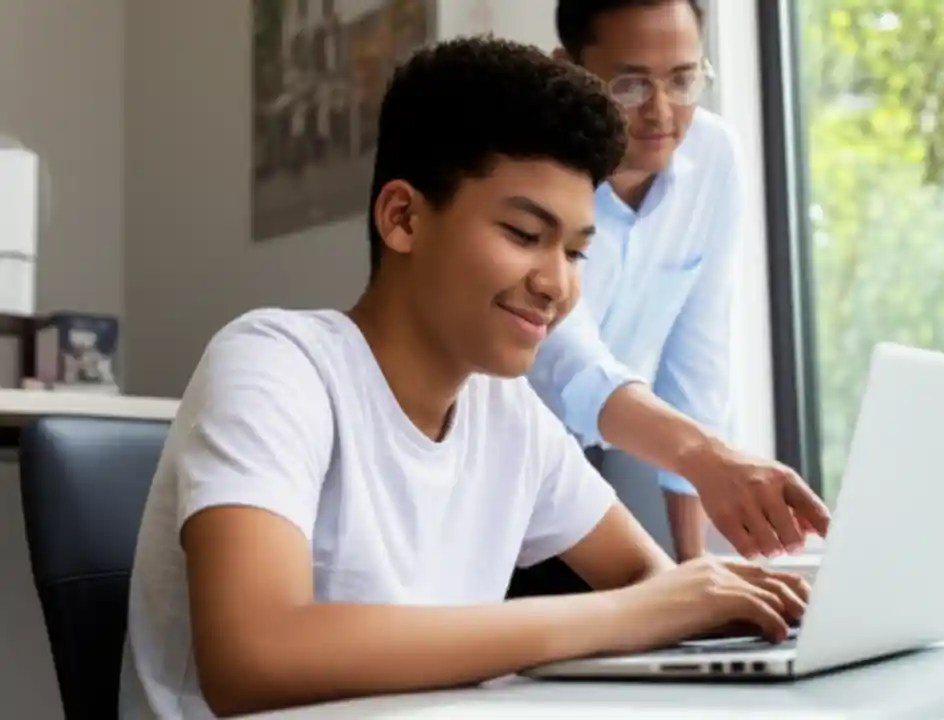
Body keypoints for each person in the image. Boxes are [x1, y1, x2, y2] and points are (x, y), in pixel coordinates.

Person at [119, 37, 807, 719]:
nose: (557, 285)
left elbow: (648, 584)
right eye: (522, 234)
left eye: (575, 251)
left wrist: (738, 605)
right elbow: (255, 656)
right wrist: (627, 614)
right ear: (403, 218)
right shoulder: (275, 365)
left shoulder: (507, 413)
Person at [519, 0, 830, 574]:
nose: (661, 113)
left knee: (666, 603)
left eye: (684, 80)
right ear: (568, 70)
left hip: (625, 443)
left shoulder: (712, 156)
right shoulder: (529, 172)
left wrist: (697, 568)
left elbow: (697, 363)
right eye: (631, 86)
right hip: (509, 449)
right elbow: (566, 358)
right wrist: (705, 457)